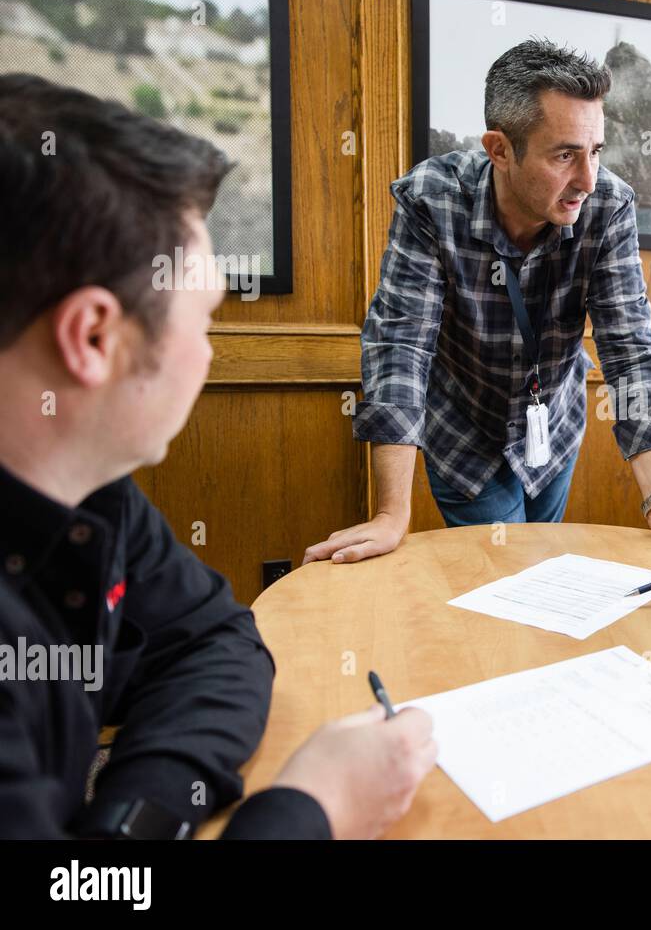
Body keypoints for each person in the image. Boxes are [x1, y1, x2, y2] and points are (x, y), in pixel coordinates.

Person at [0, 73, 438, 839]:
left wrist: (134, 826)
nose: (207, 356)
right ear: (93, 338)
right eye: (202, 321)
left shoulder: (93, 492)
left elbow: (212, 640)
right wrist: (312, 808)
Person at [305, 39, 651, 565]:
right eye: (565, 154)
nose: (587, 180)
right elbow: (399, 344)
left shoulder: (608, 206)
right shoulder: (432, 199)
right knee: (507, 573)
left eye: (596, 152)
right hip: (465, 431)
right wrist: (391, 514)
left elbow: (631, 349)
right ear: (499, 149)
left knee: (539, 568)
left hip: (554, 429)